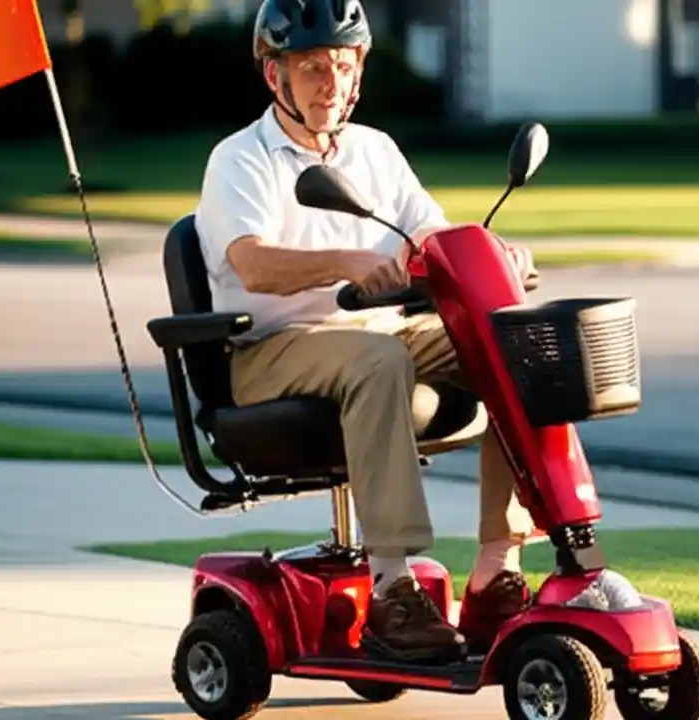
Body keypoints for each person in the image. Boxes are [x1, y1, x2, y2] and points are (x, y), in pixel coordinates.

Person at [193, 0, 539, 660]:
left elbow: (429, 233)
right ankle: (390, 589)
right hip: (271, 347)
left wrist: (492, 254)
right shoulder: (240, 160)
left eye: (343, 66)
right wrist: (347, 262)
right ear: (276, 78)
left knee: (514, 342)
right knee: (378, 360)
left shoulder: (375, 151)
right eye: (312, 67)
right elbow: (252, 264)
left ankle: (499, 567)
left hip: (378, 332)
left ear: (359, 72)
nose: (330, 82)